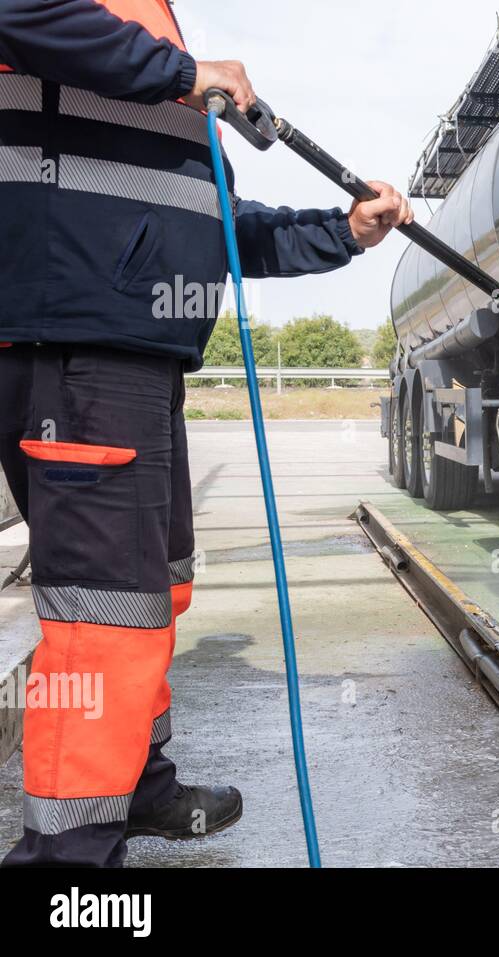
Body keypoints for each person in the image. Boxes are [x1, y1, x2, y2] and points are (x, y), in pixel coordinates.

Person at [0, 0, 414, 866]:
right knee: (101, 624)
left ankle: (139, 780)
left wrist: (341, 233)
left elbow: (218, 222)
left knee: (150, 594)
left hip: (133, 358)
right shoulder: (126, 40)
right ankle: (69, 868)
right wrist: (185, 74)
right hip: (77, 342)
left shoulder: (148, 29)